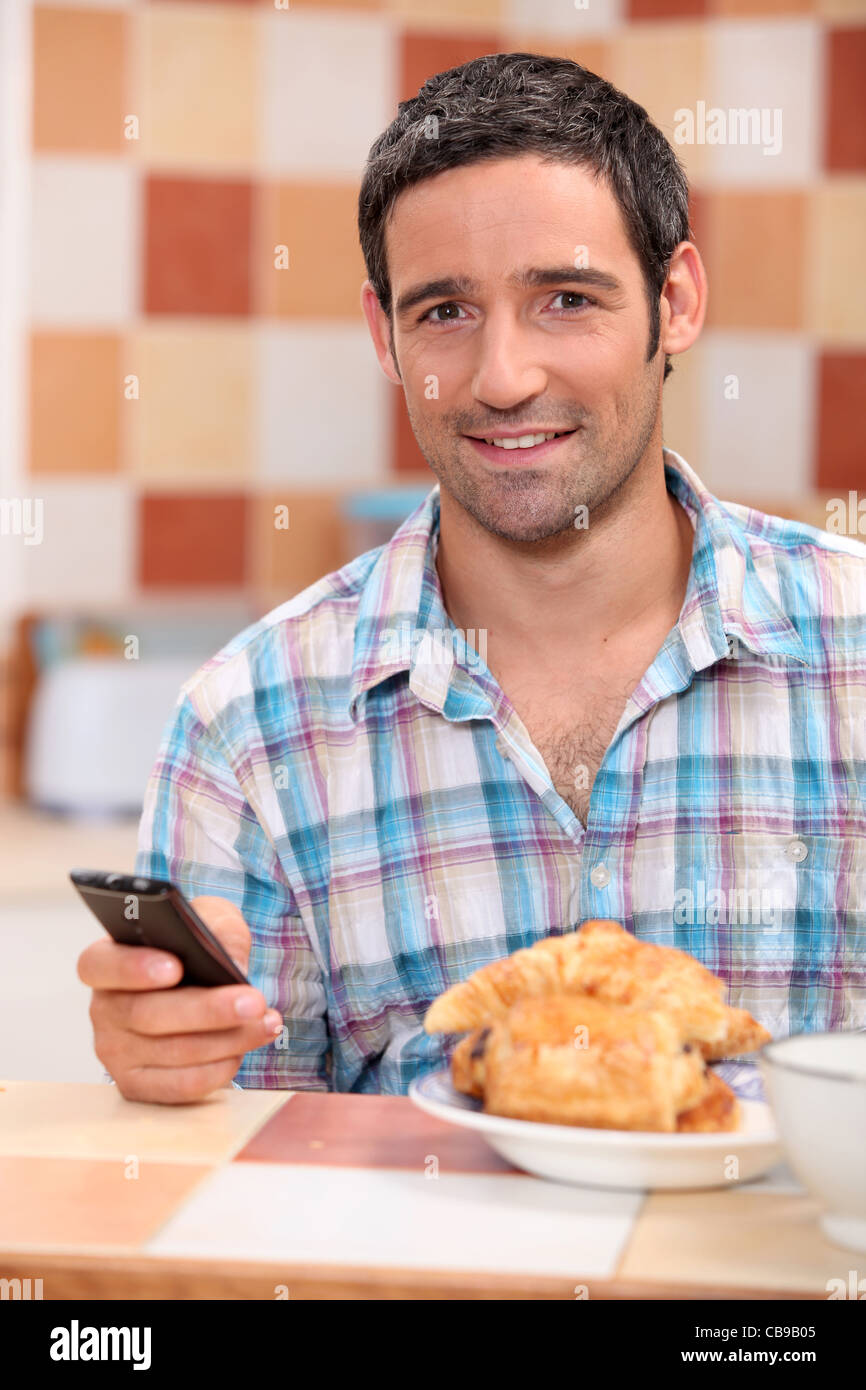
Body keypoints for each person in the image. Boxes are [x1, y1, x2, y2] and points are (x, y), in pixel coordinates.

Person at [78, 53, 866, 1104]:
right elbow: (242, 1191)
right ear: (384, 335)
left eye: (566, 298)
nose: (503, 378)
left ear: (672, 304)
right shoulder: (248, 728)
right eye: (444, 311)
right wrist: (174, 1074)